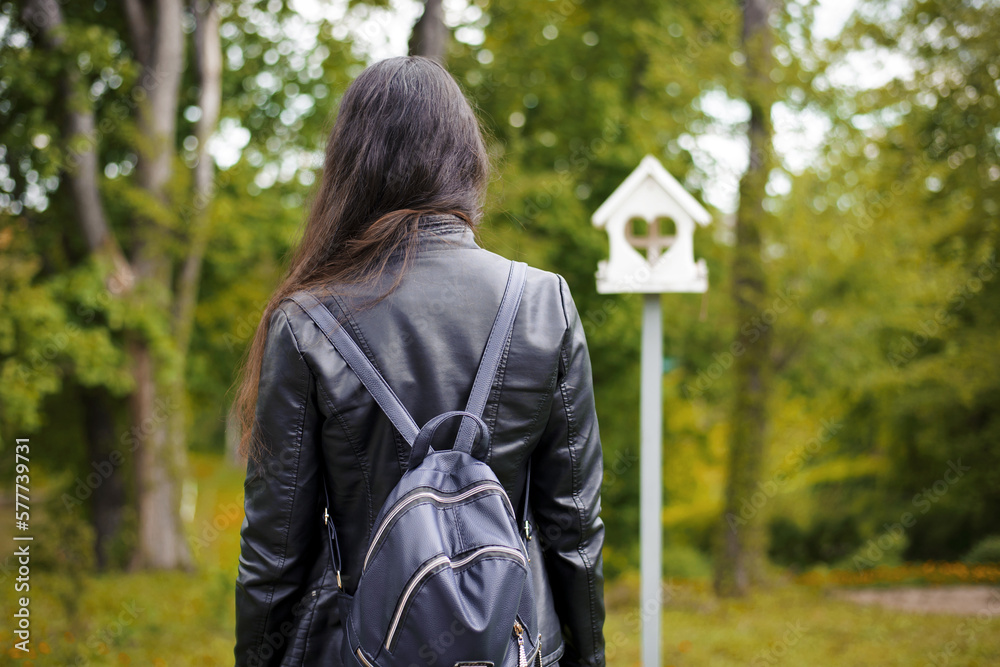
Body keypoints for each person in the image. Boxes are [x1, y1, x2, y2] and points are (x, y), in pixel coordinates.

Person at [232, 56, 605, 667]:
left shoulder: (306, 320)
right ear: (467, 163)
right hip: (516, 648)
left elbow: (275, 558)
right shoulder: (544, 303)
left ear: (350, 170)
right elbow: (574, 535)